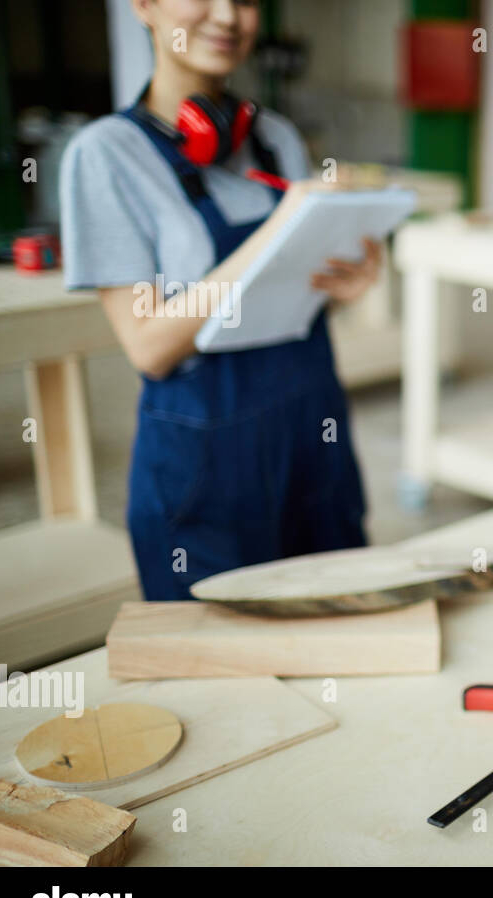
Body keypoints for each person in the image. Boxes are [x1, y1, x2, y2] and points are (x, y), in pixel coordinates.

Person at [59, 0, 380, 600]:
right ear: (145, 6)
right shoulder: (105, 156)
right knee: (222, 668)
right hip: (204, 469)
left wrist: (342, 289)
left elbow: (284, 300)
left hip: (313, 438)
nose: (228, 16)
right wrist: (276, 232)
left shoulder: (276, 138)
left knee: (339, 632)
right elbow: (149, 347)